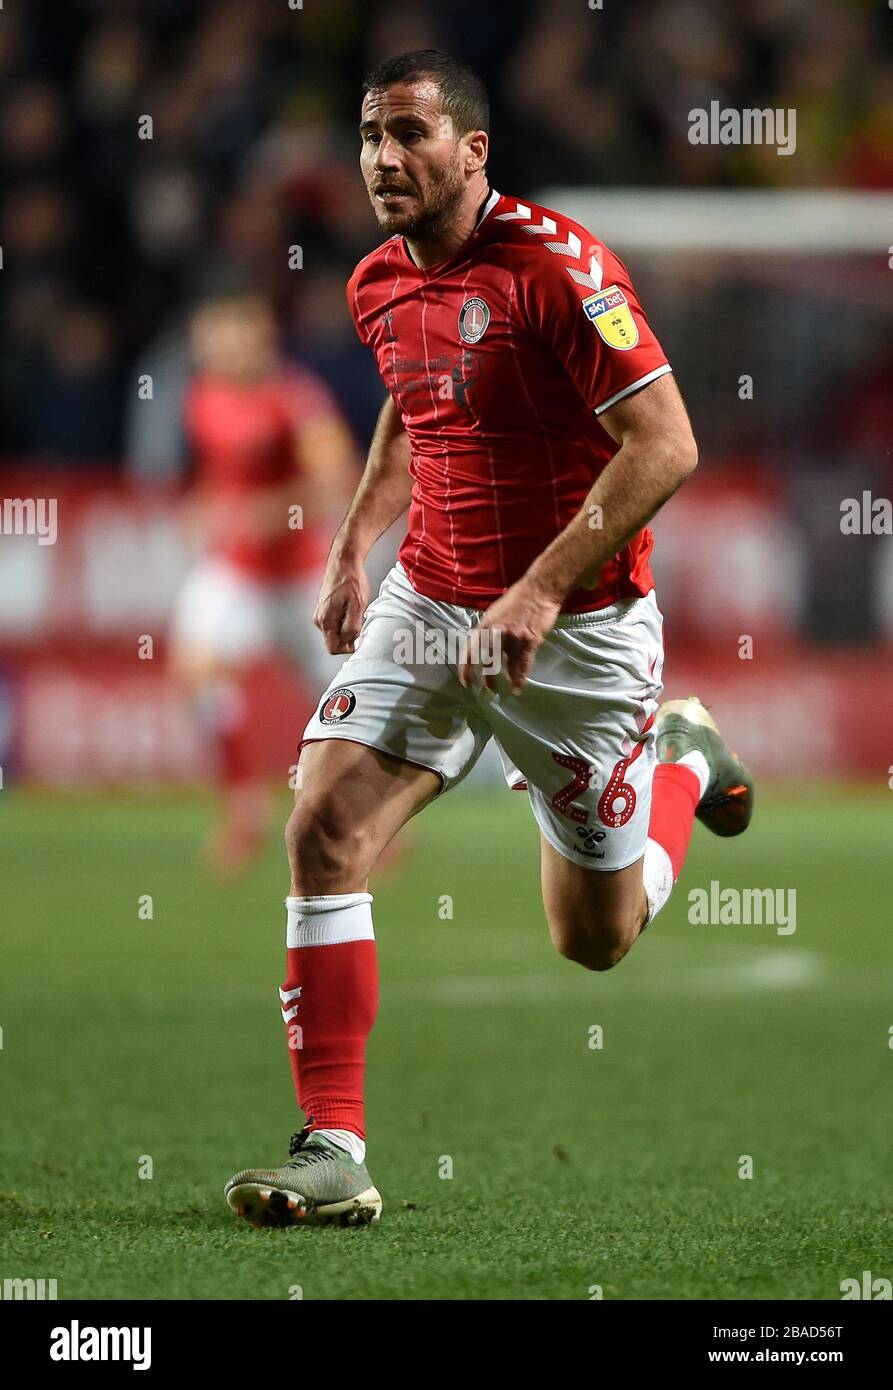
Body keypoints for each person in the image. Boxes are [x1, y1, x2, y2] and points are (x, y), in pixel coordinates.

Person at [224, 50, 753, 1227]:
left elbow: (664, 445)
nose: (381, 158)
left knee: (593, 941)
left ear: (471, 151)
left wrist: (536, 592)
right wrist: (355, 540)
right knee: (322, 826)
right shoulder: (374, 283)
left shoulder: (558, 271)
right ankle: (335, 1147)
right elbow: (414, 405)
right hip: (427, 603)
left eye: (409, 134)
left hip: (577, 636)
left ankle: (680, 759)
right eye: (368, 135)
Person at [170, 287, 357, 875]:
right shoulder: (201, 397)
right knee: (195, 668)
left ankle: (361, 812)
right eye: (211, 335)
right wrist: (201, 509)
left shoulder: (295, 398)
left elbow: (336, 478)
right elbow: (218, 479)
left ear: (258, 335)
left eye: (235, 332)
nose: (221, 346)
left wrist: (268, 513)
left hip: (301, 575)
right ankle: (243, 807)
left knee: (341, 705)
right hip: (236, 571)